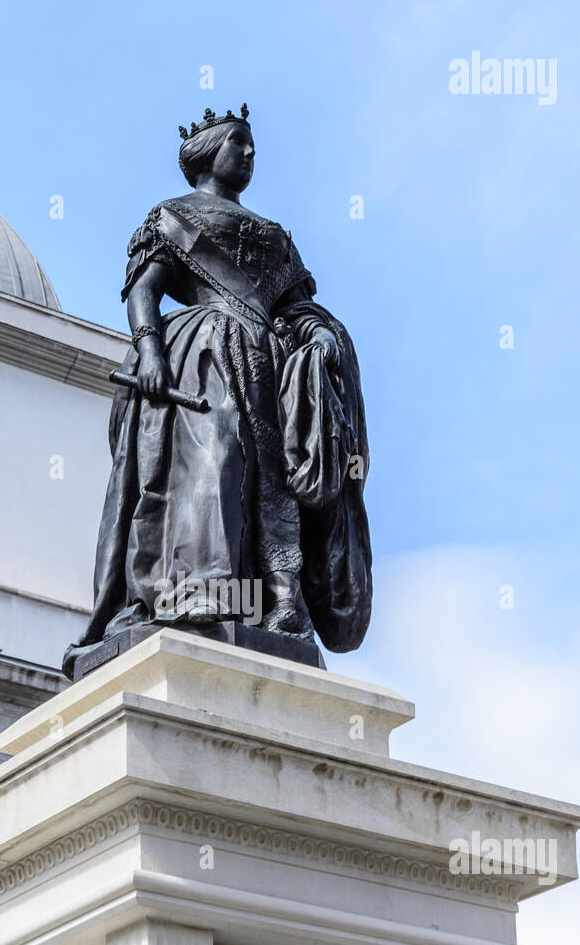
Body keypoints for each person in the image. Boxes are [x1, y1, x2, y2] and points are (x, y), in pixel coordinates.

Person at [63, 105, 371, 678]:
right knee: (215, 464)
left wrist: (324, 338)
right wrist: (151, 352)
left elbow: (296, 308)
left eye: (252, 145)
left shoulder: (276, 237)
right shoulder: (172, 216)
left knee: (274, 483)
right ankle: (197, 591)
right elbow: (144, 290)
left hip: (272, 365)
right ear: (207, 152)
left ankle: (281, 606)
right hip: (200, 356)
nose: (250, 154)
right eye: (239, 142)